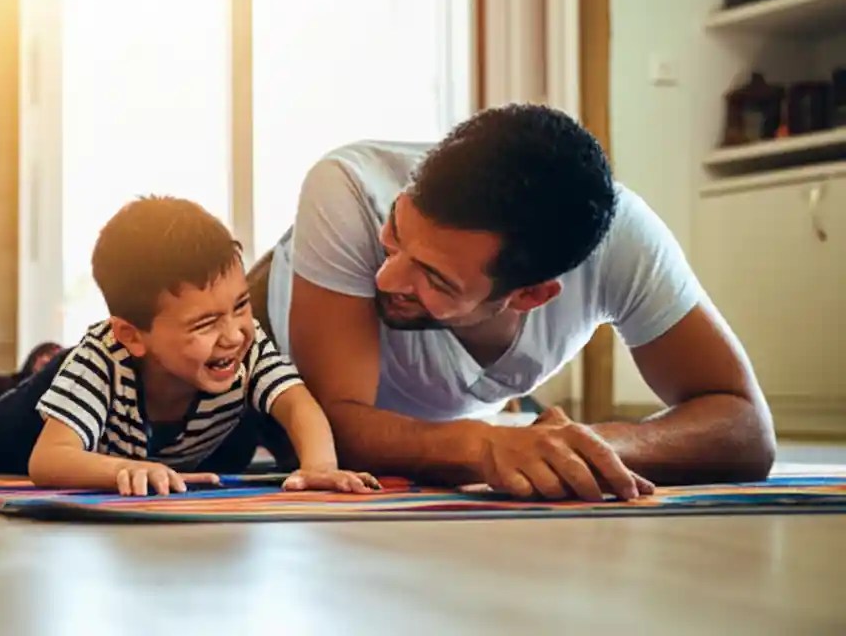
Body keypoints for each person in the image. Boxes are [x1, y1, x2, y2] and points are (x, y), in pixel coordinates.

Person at [248, 104, 775, 502]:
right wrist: (481, 446)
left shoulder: (623, 243)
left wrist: (588, 444)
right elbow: (334, 426)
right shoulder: (348, 189)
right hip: (260, 377)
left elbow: (746, 427)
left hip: (449, 403)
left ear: (531, 296)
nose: (386, 278)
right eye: (397, 230)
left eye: (434, 276)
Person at [0, 196, 379, 497]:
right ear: (131, 334)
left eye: (240, 305)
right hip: (63, 404)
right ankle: (14, 378)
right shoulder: (102, 360)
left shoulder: (244, 342)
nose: (234, 333)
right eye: (205, 323)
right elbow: (48, 460)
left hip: (181, 439)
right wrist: (120, 469)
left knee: (238, 437)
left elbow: (297, 403)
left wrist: (320, 464)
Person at [0, 341, 64, 399]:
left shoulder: (54, 398)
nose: (47, 360)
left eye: (55, 358)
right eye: (48, 354)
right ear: (35, 357)